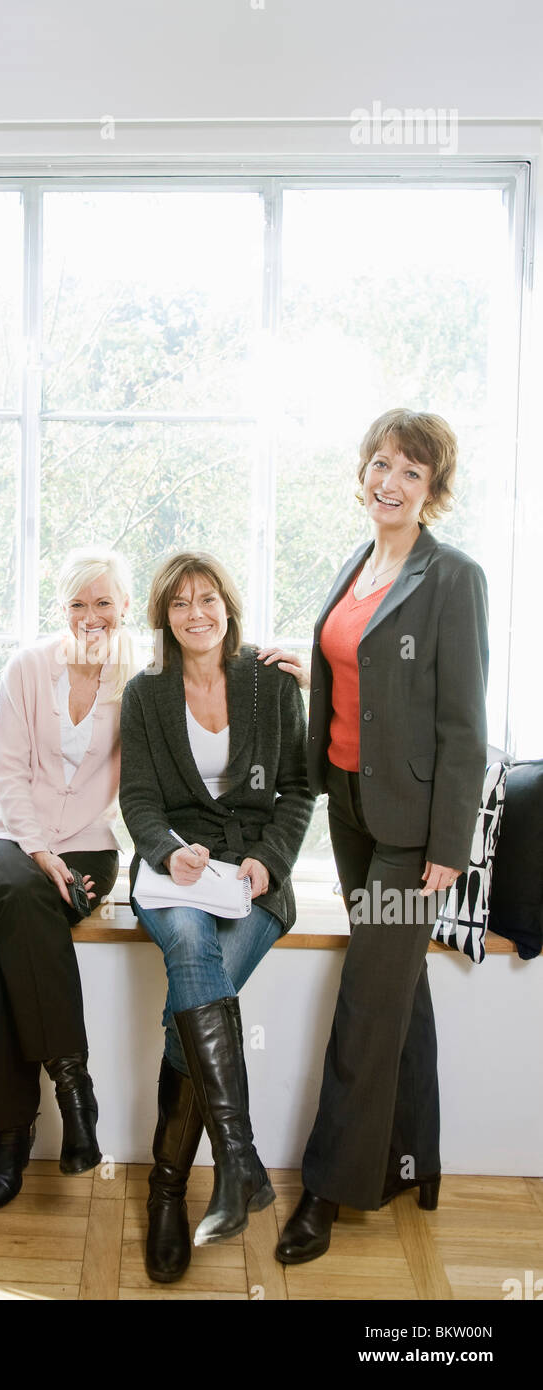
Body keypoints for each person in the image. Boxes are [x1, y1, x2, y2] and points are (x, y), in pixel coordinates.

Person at [263, 409, 489, 1264]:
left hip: (410, 834)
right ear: (364, 471)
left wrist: (447, 844)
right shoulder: (360, 564)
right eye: (383, 465)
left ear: (432, 493)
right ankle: (411, 1158)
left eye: (412, 475)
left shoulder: (452, 577)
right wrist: (307, 672)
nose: (391, 484)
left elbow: (463, 724)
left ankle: (329, 1189)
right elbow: (353, 667)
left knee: (367, 1000)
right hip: (352, 810)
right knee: (401, 993)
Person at [120, 551, 315, 1282]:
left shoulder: (268, 683)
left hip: (254, 879)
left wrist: (268, 859)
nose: (195, 613)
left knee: (186, 1016)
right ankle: (234, 1166)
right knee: (193, 948)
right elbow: (137, 800)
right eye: (179, 603)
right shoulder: (145, 694)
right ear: (163, 617)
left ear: (227, 605)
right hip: (176, 881)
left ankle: (172, 1187)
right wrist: (169, 852)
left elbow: (298, 790)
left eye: (207, 599)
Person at [0, 547, 137, 1214]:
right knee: (16, 895)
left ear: (124, 607)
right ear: (60, 609)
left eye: (103, 602)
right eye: (77, 603)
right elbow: (7, 771)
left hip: (90, 849)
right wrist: (36, 849)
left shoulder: (144, 679)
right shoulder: (29, 668)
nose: (90, 615)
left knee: (16, 949)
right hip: (9, 835)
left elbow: (151, 782)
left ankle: (10, 1144)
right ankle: (74, 1089)